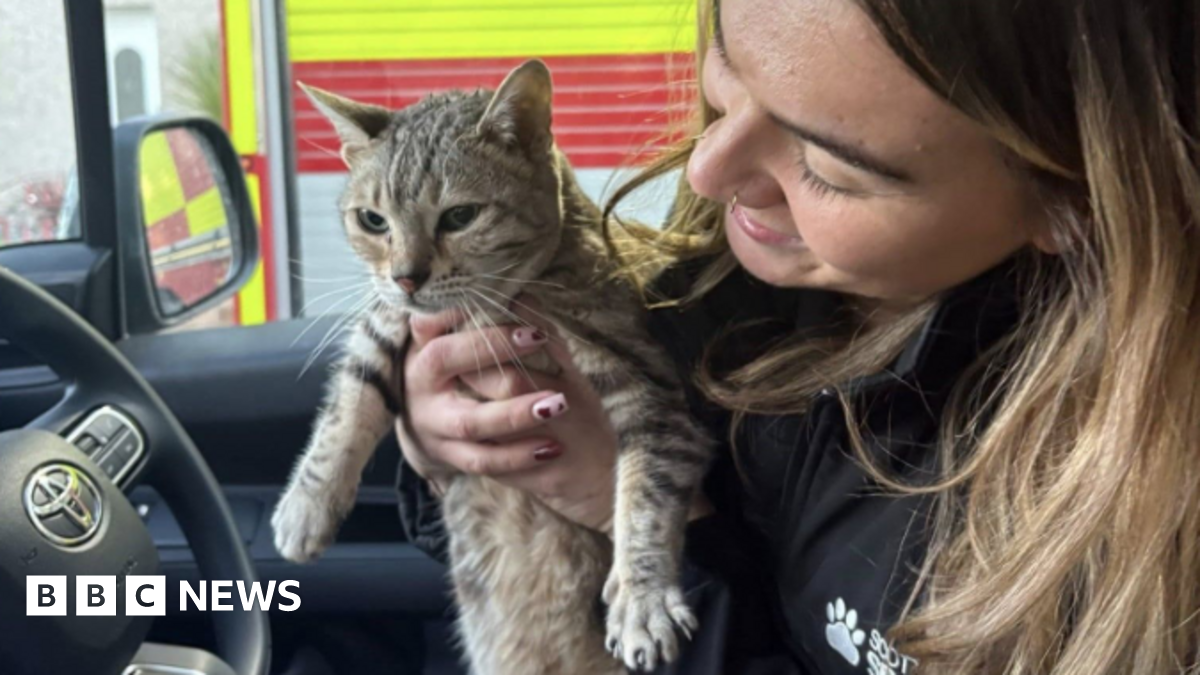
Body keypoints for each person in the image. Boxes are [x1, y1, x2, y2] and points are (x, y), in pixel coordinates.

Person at [393, 1, 1200, 673]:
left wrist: (652, 520)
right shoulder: (712, 293)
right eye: (727, 70)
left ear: (1075, 202)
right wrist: (468, 457)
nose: (706, 168)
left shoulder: (1109, 539)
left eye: (827, 167)